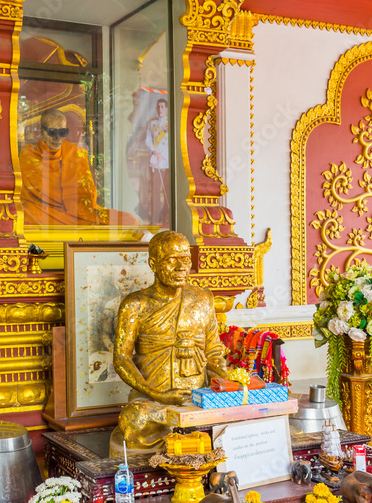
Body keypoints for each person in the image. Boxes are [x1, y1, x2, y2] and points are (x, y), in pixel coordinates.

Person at [108, 231, 229, 457]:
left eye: (186, 259)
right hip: (154, 403)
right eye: (173, 260)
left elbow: (213, 350)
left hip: (199, 398)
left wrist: (225, 377)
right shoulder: (135, 305)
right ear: (153, 264)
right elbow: (121, 359)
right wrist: (155, 393)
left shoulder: (203, 298)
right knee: (133, 421)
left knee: (236, 415)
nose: (181, 267)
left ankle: (189, 431)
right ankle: (184, 434)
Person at [19, 109, 138, 227]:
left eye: (62, 132)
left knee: (129, 221)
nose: (58, 138)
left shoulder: (75, 154)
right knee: (27, 213)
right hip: (45, 210)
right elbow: (36, 192)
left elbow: (86, 195)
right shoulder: (29, 154)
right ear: (42, 132)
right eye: (52, 132)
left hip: (77, 213)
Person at [145, 98, 171, 225]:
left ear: (166, 109)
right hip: (156, 161)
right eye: (158, 107)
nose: (160, 109)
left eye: (162, 107)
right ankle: (154, 219)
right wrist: (154, 151)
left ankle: (166, 217)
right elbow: (148, 140)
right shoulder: (152, 124)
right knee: (155, 191)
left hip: (167, 161)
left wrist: (164, 155)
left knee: (168, 190)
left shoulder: (170, 123)